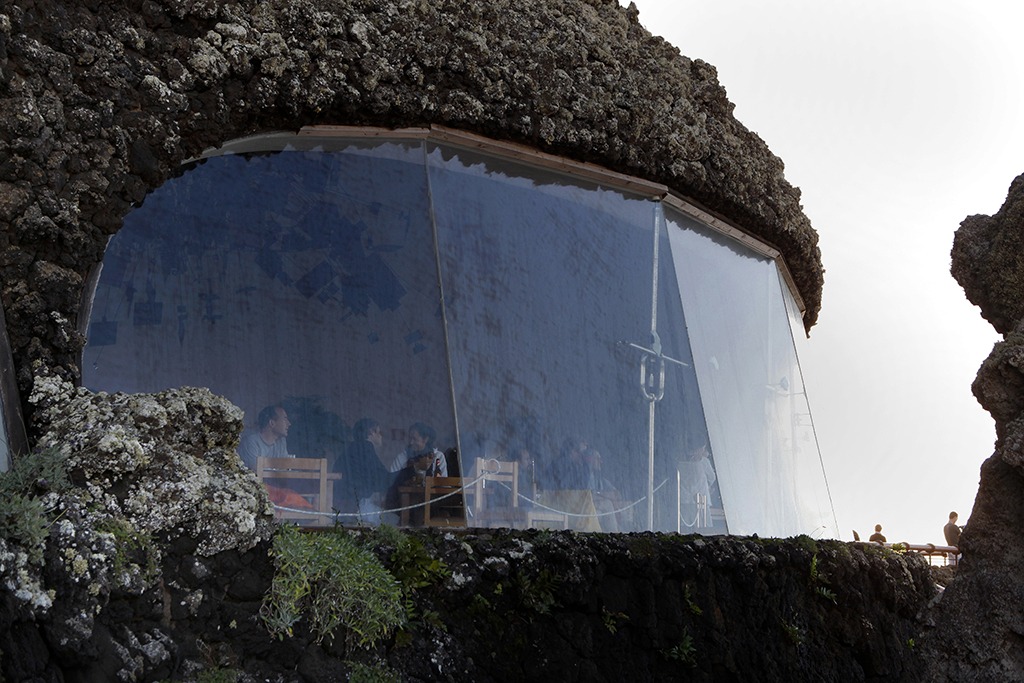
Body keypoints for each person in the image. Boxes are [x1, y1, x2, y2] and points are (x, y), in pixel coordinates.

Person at [336, 417, 392, 517]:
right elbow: (380, 478)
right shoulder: (365, 449)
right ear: (371, 432)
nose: (381, 437)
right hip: (355, 505)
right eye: (379, 433)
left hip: (342, 505)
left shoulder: (351, 449)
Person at [238, 404, 292, 470]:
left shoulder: (281, 441)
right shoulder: (251, 442)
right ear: (272, 423)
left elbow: (286, 468)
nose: (289, 423)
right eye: (285, 419)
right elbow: (256, 472)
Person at [678, 443, 716, 529]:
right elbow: (712, 477)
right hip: (700, 498)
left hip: (685, 499)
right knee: (703, 526)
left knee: (686, 525)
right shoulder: (704, 462)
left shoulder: (680, 462)